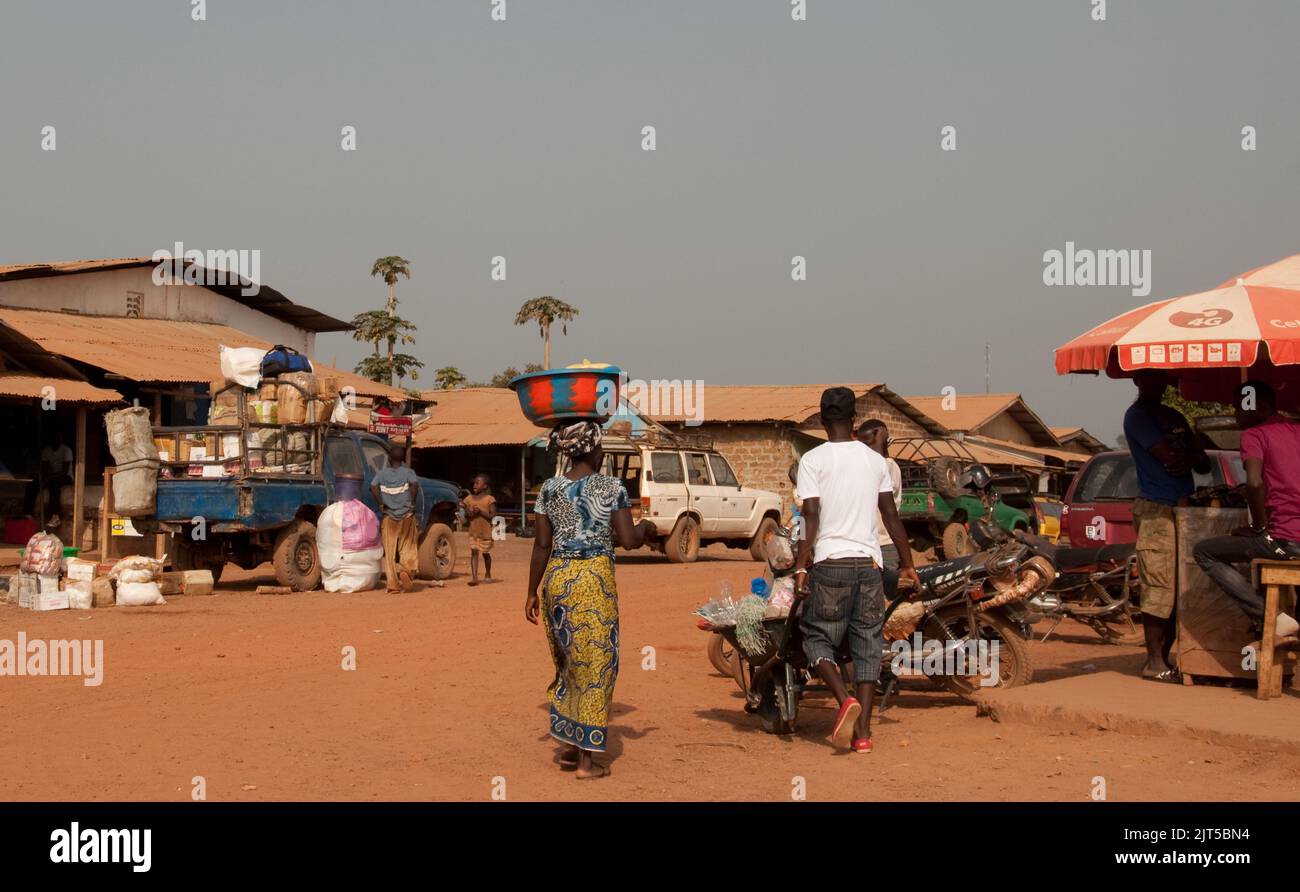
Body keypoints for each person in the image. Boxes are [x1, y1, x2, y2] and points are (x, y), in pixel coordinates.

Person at [524, 421, 657, 780]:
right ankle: (586, 763)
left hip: (558, 582)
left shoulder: (549, 489)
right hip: (592, 582)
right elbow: (628, 540)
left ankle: (569, 747)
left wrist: (531, 592)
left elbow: (541, 545)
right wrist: (647, 529)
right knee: (597, 666)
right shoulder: (610, 487)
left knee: (568, 663)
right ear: (595, 450)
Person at [792, 388, 920, 753]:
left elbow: (811, 516)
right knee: (868, 644)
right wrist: (908, 564)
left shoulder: (812, 460)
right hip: (869, 565)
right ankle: (863, 733)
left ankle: (843, 699)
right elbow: (891, 516)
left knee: (816, 636)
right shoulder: (876, 462)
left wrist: (802, 567)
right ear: (854, 420)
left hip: (831, 562)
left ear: (820, 420)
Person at [1123, 369, 1211, 681]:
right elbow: (1170, 458)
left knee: (1181, 587)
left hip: (1183, 508)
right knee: (1158, 586)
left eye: (1161, 380)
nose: (1158, 385)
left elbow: (1203, 462)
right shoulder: (1137, 417)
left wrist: (1189, 455)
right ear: (1137, 381)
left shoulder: (1173, 415)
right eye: (1151, 379)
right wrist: (1191, 454)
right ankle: (1154, 662)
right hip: (1156, 509)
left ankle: (1165, 658)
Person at [1194, 381, 1300, 637]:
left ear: (1259, 406)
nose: (1236, 414)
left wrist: (1259, 527)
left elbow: (1254, 482)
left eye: (1239, 407)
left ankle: (1269, 617)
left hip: (1287, 539)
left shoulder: (1254, 435)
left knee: (1204, 552)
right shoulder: (1296, 429)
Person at [370, 441, 421, 593]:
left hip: (389, 517)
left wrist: (381, 503)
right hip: (407, 516)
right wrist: (412, 503)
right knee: (408, 547)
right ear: (402, 459)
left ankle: (392, 585)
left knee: (390, 552)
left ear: (389, 459)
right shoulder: (408, 473)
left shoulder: (382, 474)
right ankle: (405, 569)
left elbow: (373, 487)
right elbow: (414, 486)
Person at [856, 419, 904, 571]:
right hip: (863, 544)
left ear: (877, 434)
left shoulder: (889, 466)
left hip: (884, 544)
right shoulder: (872, 465)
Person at [462, 474, 497, 586]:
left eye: (478, 483)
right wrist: (467, 510)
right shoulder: (468, 499)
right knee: (474, 552)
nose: (475, 485)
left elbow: (492, 515)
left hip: (486, 533)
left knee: (485, 554)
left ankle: (487, 573)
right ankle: (474, 578)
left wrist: (480, 512)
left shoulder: (490, 499)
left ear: (485, 486)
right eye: (474, 483)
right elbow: (467, 516)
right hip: (474, 532)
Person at [35, 431, 74, 526]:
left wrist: (49, 477)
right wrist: (44, 478)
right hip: (51, 476)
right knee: (33, 485)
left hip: (66, 477)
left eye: (58, 438)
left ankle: (55, 516)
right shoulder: (46, 451)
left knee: (55, 486)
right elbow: (44, 469)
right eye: (54, 439)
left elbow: (64, 471)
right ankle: (27, 513)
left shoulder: (66, 450)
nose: (56, 441)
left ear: (61, 440)